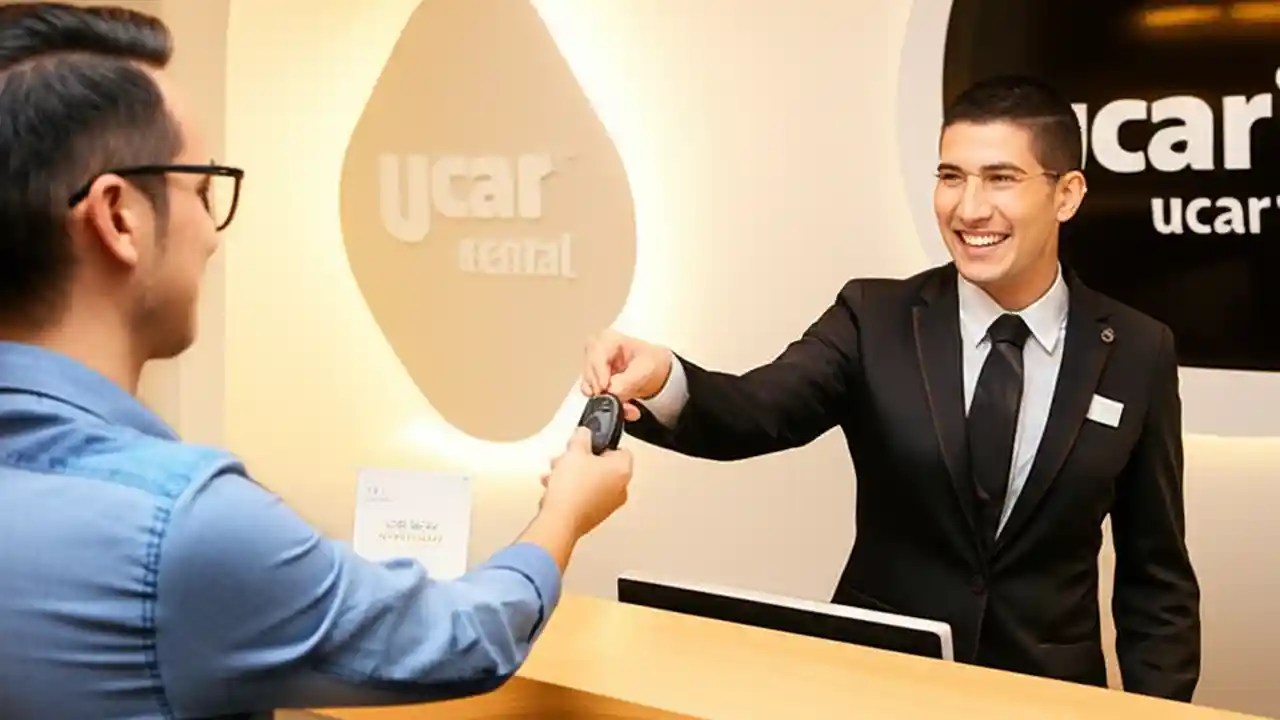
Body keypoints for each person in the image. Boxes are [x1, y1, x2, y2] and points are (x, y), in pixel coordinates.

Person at [0, 4, 633, 719]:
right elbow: (465, 636)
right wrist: (566, 511)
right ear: (120, 217)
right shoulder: (182, 530)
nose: (213, 234)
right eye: (203, 190)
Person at [583, 75, 1201, 700]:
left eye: (1000, 178)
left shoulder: (1137, 350)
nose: (969, 208)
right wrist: (663, 376)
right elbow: (752, 412)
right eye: (951, 176)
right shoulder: (872, 318)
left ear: (1066, 194)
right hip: (877, 686)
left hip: (1046, 698)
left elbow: (1157, 580)